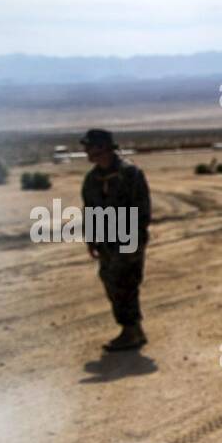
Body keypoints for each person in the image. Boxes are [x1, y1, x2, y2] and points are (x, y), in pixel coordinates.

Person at [80, 128, 151, 352]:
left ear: (104, 147)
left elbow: (142, 210)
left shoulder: (129, 173)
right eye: (87, 148)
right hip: (106, 241)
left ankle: (130, 331)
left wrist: (133, 241)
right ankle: (133, 329)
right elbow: (90, 210)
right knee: (111, 282)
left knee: (126, 283)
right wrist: (91, 239)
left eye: (91, 147)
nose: (87, 152)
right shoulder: (92, 179)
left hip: (127, 238)